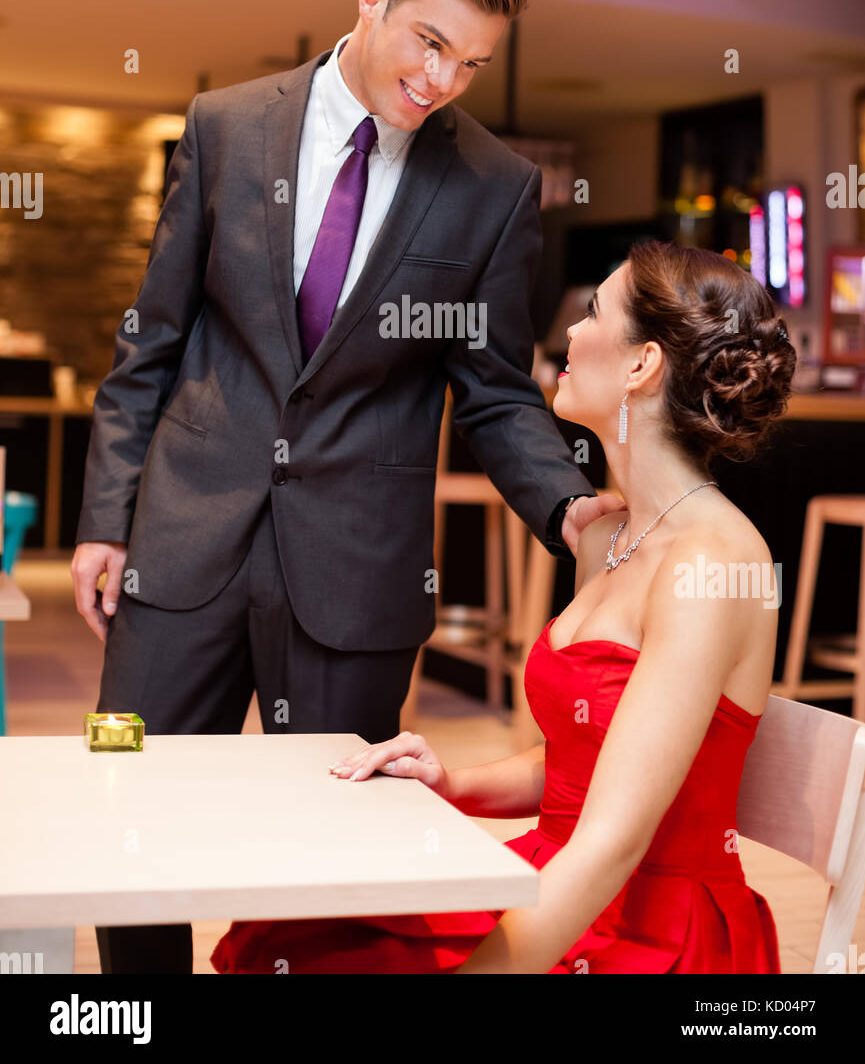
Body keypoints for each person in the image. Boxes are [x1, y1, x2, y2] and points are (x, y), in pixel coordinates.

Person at [70, 0, 621, 975]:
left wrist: (568, 504)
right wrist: (105, 516)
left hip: (352, 575)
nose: (443, 82)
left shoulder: (496, 188)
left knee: (337, 856)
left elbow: (496, 389)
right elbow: (153, 341)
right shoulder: (227, 126)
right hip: (181, 543)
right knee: (125, 806)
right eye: (430, 43)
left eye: (471, 62)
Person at [212, 240, 797, 974]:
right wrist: (450, 782)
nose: (572, 334)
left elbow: (614, 840)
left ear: (642, 366)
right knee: (294, 931)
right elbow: (582, 760)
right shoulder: (609, 535)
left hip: (651, 922)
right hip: (562, 875)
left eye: (592, 313)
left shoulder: (708, 564)